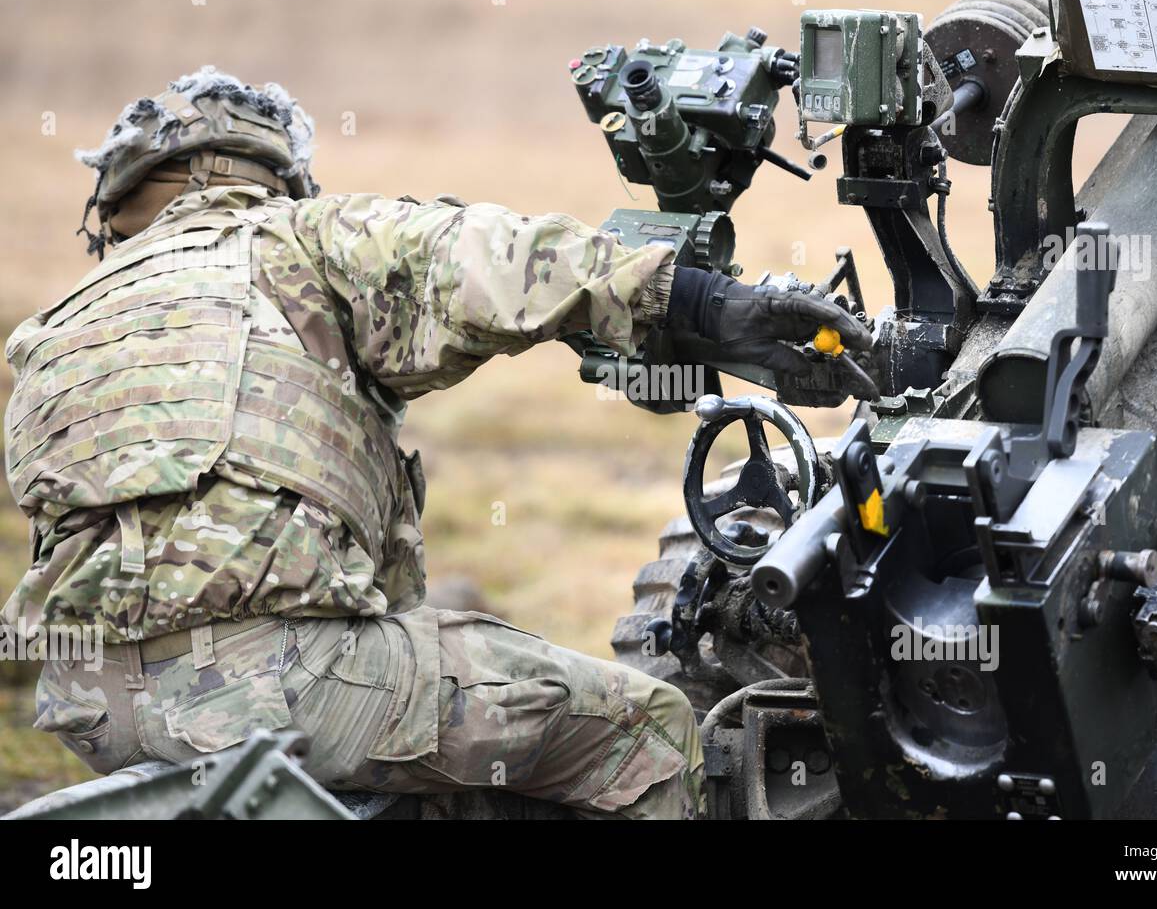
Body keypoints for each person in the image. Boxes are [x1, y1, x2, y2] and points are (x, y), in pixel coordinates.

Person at [1, 67, 870, 818]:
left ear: (121, 205)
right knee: (649, 730)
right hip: (278, 686)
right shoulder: (294, 241)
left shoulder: (51, 330)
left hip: (91, 705)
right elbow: (491, 258)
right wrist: (711, 309)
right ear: (268, 172)